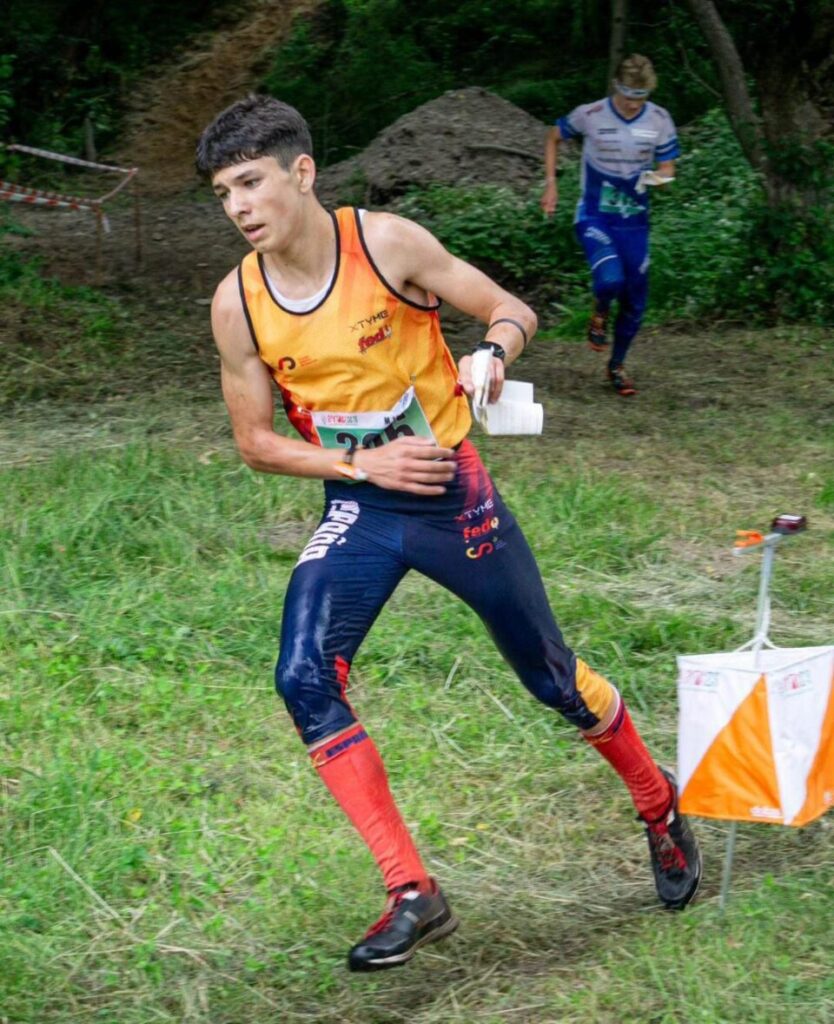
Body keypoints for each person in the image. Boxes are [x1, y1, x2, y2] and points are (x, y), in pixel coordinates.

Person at [196, 94, 700, 973]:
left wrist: (491, 354)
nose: (238, 207)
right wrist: (361, 469)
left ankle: (659, 805)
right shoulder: (236, 303)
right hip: (362, 506)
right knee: (302, 674)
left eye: (250, 182)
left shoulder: (388, 245)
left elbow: (510, 309)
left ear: (301, 173)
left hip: (454, 503)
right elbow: (256, 443)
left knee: (554, 681)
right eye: (222, 193)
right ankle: (411, 891)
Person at [541, 54, 679, 397]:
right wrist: (552, 183)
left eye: (640, 97)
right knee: (610, 280)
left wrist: (648, 178)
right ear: (616, 87)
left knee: (635, 302)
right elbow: (553, 137)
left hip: (634, 224)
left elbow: (668, 173)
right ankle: (600, 310)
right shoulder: (590, 115)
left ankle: (616, 365)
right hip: (594, 216)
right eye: (628, 95)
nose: (633, 104)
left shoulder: (660, 120)